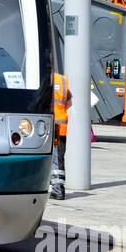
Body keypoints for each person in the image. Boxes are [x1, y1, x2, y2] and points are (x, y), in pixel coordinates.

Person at [50, 69, 73, 200]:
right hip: (61, 125)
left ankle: (58, 190)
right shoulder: (62, 81)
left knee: (53, 159)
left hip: (47, 124)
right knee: (58, 159)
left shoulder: (41, 79)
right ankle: (58, 188)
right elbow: (69, 103)